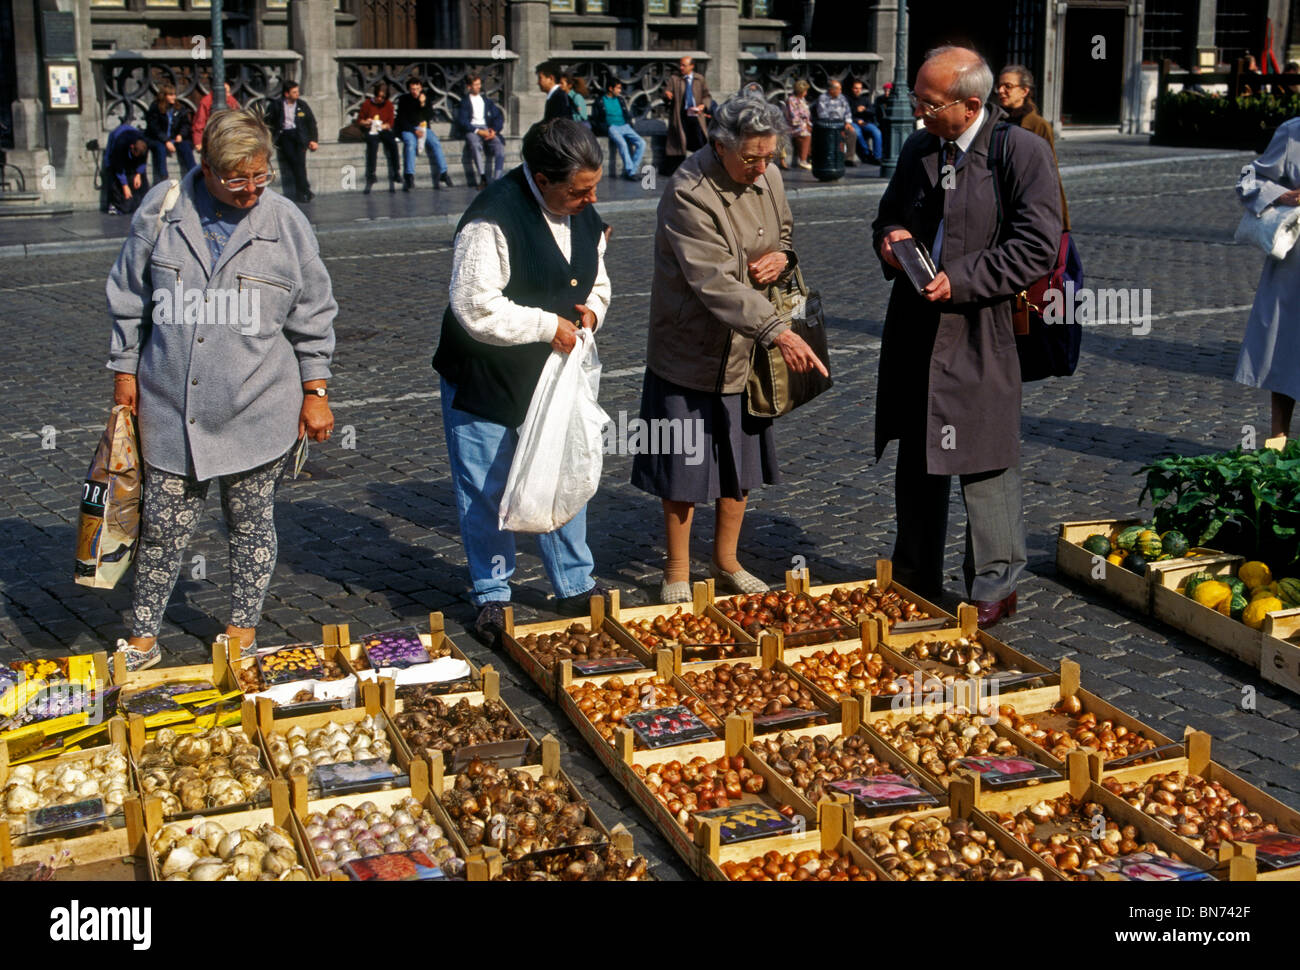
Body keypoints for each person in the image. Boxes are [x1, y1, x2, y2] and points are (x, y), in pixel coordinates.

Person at [106, 108, 338, 659]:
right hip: (168, 408)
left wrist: (316, 391)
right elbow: (127, 294)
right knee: (161, 529)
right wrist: (123, 369)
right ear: (205, 167)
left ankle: (242, 630)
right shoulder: (162, 212)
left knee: (252, 524)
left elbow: (314, 311)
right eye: (237, 179)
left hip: (258, 408)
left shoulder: (285, 223)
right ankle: (142, 637)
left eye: (261, 177)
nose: (251, 190)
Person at [872, 45, 1061, 628]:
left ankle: (995, 584)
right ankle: (914, 575)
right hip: (916, 329)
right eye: (917, 100)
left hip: (982, 328)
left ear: (971, 104)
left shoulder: (1020, 150)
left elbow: (1037, 245)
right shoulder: (919, 145)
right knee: (919, 456)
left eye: (929, 104)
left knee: (985, 457)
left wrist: (964, 279)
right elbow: (888, 215)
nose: (917, 112)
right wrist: (889, 238)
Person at [632, 94, 828, 602]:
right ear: (719, 147)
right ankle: (676, 569)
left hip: (749, 347)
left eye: (769, 157)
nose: (761, 168)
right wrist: (778, 331)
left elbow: (783, 230)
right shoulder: (687, 191)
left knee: (738, 461)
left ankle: (726, 559)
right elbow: (712, 281)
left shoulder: (768, 175)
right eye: (751, 158)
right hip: (691, 345)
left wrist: (783, 255)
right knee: (682, 461)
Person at [431, 119, 612, 645]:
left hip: (550, 376)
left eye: (593, 187)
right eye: (579, 191)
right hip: (484, 374)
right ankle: (492, 592)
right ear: (541, 177)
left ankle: (575, 582)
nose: (591, 198)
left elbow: (597, 276)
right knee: (486, 487)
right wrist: (544, 325)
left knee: (561, 472)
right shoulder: (490, 220)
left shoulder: (581, 209)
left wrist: (592, 313)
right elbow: (474, 305)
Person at [1235, 117, 1300, 441]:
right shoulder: (1293, 132)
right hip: (1295, 266)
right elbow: (1252, 178)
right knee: (1285, 350)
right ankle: (1278, 442)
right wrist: (1282, 195)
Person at [996, 64, 1070, 229]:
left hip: (1026, 199)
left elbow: (1050, 173)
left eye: (1008, 86)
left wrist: (1060, 219)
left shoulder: (1038, 126)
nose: (1001, 91)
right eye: (999, 86)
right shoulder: (994, 122)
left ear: (1024, 91)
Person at [264, 80, 319, 204]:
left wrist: (313, 140)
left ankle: (303, 193)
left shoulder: (302, 105)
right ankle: (305, 191)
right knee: (295, 163)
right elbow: (268, 122)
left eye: (297, 91)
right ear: (286, 94)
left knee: (300, 163)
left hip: (299, 136)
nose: (297, 94)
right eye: (294, 92)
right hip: (285, 136)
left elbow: (311, 123)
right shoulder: (276, 105)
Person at [396, 76, 452, 191]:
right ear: (409, 89)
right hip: (409, 128)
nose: (415, 91)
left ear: (420, 88)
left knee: (435, 142)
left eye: (417, 88)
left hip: (424, 128)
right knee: (410, 143)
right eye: (412, 89)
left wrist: (422, 104)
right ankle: (409, 176)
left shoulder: (425, 98)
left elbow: (429, 116)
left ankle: (444, 173)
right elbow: (401, 120)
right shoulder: (404, 100)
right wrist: (414, 131)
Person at [455, 74, 506, 188]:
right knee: (475, 145)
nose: (479, 87)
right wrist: (478, 131)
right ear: (469, 87)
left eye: (479, 84)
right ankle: (483, 177)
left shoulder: (486, 101)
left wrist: (494, 130)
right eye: (476, 85)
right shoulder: (464, 102)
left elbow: (498, 117)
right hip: (473, 128)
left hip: (486, 127)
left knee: (499, 147)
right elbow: (463, 121)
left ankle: (498, 178)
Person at [663, 57, 712, 175]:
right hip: (681, 116)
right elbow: (667, 94)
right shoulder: (675, 79)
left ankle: (703, 167)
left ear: (691, 66)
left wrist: (703, 106)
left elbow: (707, 96)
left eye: (684, 65)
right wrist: (667, 95)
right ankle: (676, 170)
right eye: (680, 65)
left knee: (700, 141)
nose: (681, 68)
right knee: (679, 142)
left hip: (696, 115)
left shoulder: (699, 79)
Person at [592, 79, 645, 180]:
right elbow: (596, 118)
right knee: (623, 144)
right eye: (618, 88)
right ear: (610, 88)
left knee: (641, 143)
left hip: (625, 126)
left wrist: (628, 123)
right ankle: (631, 172)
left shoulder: (620, 100)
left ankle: (632, 170)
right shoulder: (600, 100)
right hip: (612, 127)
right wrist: (605, 128)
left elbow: (626, 113)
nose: (620, 91)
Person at [143, 84, 195, 182]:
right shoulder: (155, 108)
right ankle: (163, 178)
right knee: (160, 149)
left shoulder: (179, 108)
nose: (173, 97)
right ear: (164, 96)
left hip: (174, 137)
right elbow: (154, 128)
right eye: (170, 95)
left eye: (174, 95)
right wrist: (166, 141)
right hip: (157, 139)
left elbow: (185, 124)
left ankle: (194, 173)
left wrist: (181, 134)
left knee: (185, 146)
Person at [357, 81, 399, 194]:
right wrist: (366, 122)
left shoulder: (389, 105)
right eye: (378, 96)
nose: (380, 99)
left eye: (383, 97)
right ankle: (371, 174)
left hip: (383, 129)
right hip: (371, 129)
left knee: (392, 143)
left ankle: (396, 172)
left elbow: (391, 122)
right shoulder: (367, 104)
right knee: (372, 145)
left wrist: (385, 125)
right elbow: (359, 120)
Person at [104, 124, 149, 214]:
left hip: (133, 133)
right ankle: (113, 204)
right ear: (132, 147)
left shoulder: (144, 144)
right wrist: (125, 186)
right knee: (111, 168)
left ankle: (144, 202)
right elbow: (119, 168)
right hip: (118, 136)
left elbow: (142, 161)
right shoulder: (120, 145)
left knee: (142, 179)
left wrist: (138, 174)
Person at [813, 79, 856, 165]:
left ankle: (848, 158)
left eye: (840, 89)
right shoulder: (823, 98)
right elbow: (822, 115)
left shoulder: (842, 98)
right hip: (828, 124)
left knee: (852, 133)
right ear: (832, 90)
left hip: (841, 123)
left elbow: (847, 112)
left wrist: (848, 122)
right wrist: (834, 123)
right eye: (839, 89)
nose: (840, 91)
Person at [192, 81, 240, 152]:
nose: (229, 94)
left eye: (229, 92)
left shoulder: (231, 100)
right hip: (211, 137)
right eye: (226, 92)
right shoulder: (206, 101)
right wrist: (198, 141)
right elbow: (200, 122)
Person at [847, 78, 882, 164]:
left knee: (876, 132)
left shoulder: (865, 99)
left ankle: (877, 157)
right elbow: (846, 113)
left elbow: (873, 111)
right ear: (852, 88)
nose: (858, 90)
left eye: (860, 88)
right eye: (856, 88)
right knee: (857, 133)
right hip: (853, 122)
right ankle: (867, 153)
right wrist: (856, 111)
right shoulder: (848, 99)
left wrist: (865, 110)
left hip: (865, 122)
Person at [783, 80, 813, 170]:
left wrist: (809, 124)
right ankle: (803, 160)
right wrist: (804, 125)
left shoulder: (802, 100)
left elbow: (807, 115)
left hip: (803, 124)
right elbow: (793, 117)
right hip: (793, 126)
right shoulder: (791, 100)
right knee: (806, 134)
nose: (806, 93)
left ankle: (810, 157)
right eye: (805, 91)